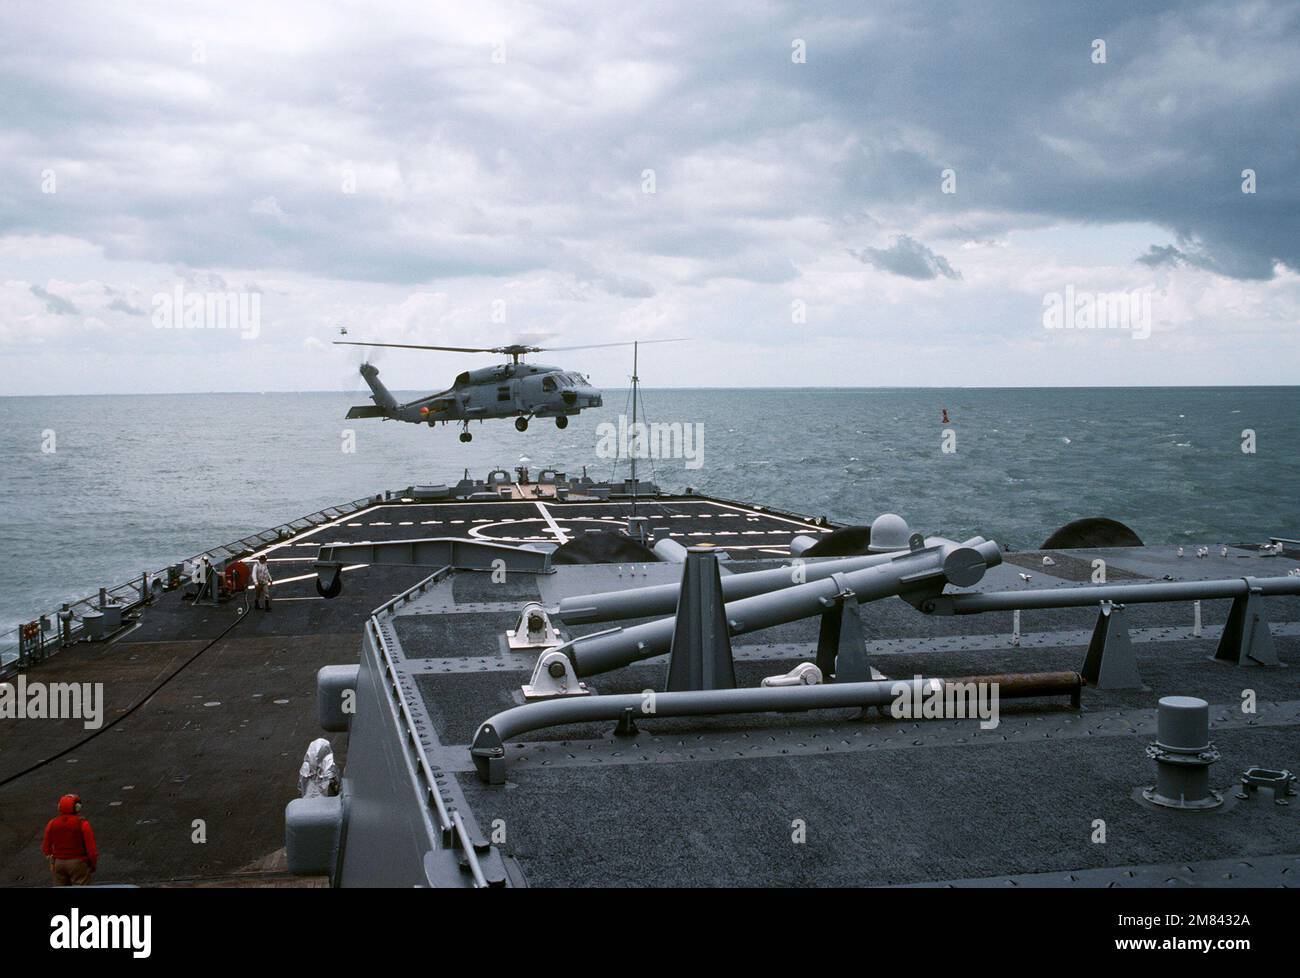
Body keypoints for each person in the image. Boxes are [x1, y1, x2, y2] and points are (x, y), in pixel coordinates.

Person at [42, 794, 98, 885]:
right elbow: (91, 849)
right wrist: (93, 864)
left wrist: (52, 861)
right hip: (78, 863)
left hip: (58, 863)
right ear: (77, 808)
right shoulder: (82, 823)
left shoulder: (52, 823)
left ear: (59, 807)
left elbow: (45, 847)